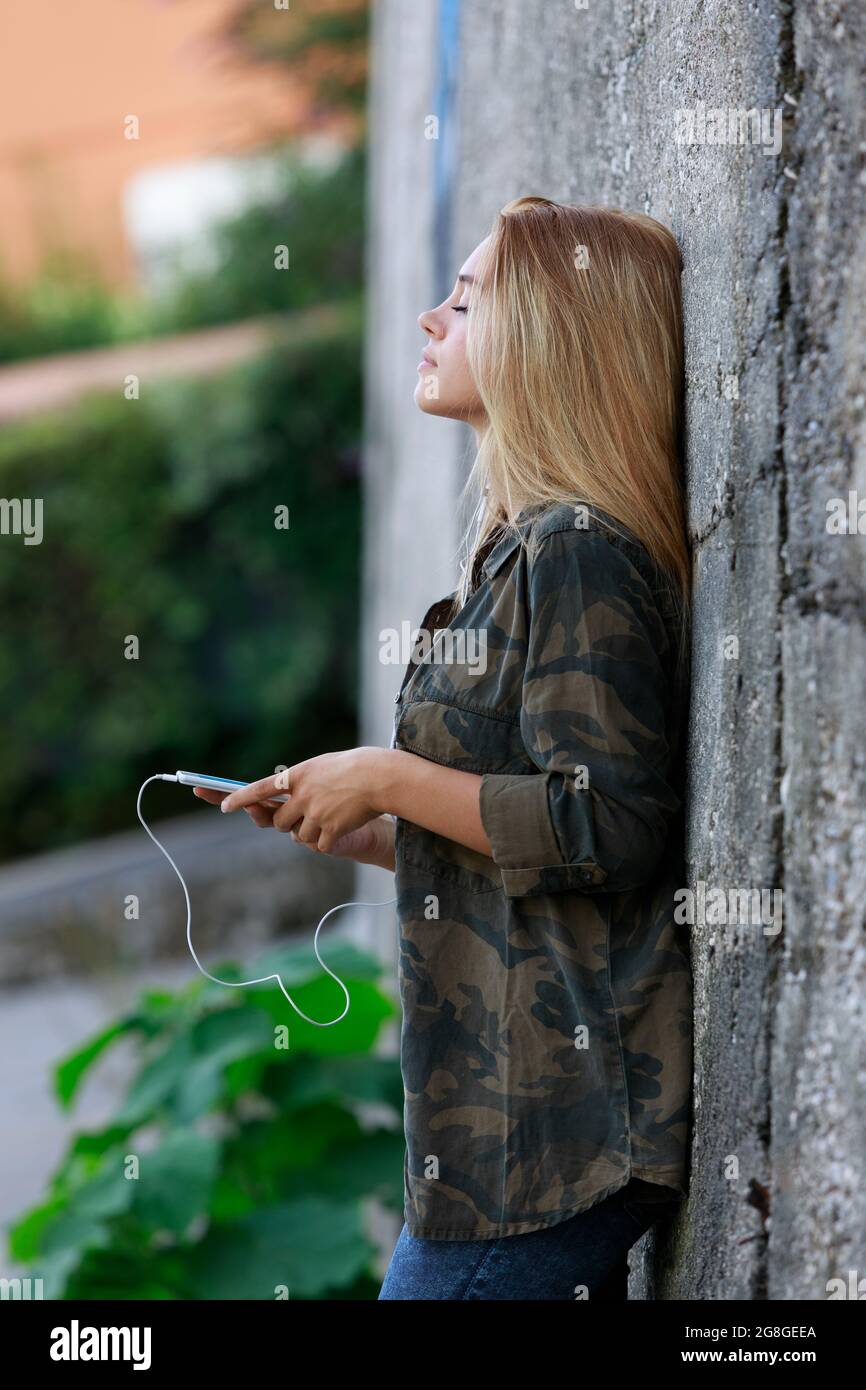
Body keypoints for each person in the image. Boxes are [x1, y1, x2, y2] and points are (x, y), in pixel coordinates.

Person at [202, 196, 693, 1301]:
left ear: (547, 338)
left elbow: (610, 825)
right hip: (502, 1141)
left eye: (465, 300)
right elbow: (516, 840)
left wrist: (386, 773)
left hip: (556, 1135)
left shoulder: (575, 555)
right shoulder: (514, 558)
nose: (429, 317)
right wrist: (367, 821)